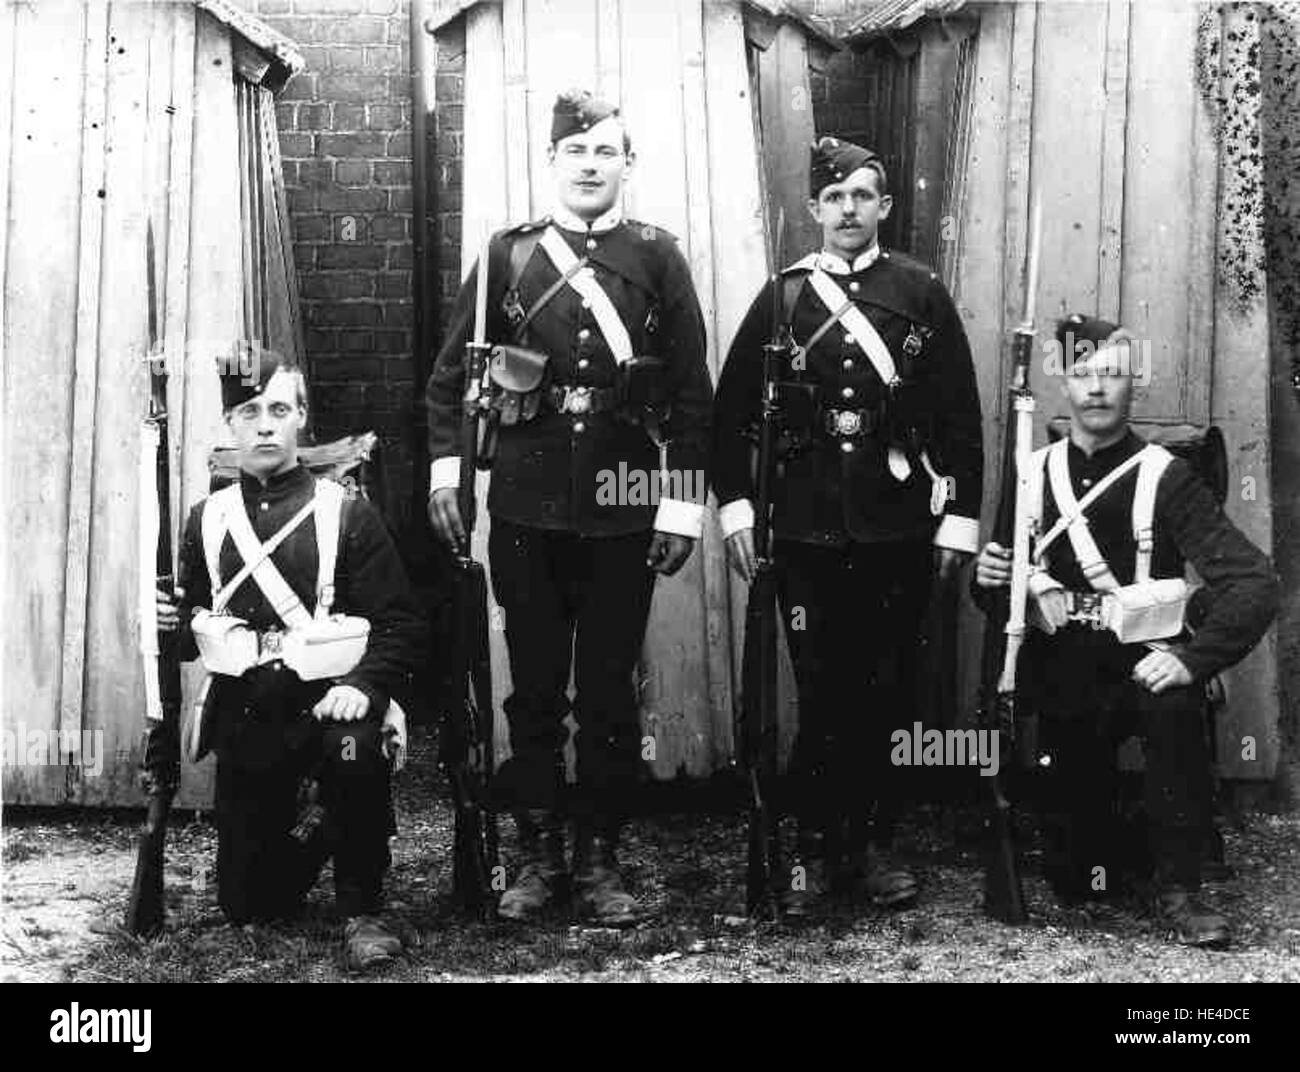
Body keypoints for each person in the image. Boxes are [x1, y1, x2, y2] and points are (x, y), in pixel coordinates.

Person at [425, 90, 713, 926]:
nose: (591, 164)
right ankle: (536, 852)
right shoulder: (509, 256)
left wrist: (681, 508)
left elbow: (691, 395)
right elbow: (454, 378)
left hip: (625, 511)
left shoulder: (657, 258)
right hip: (527, 509)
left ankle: (599, 858)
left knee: (610, 694)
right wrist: (449, 475)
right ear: (554, 162)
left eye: (607, 151)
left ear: (628, 165)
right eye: (576, 150)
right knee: (536, 692)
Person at [712, 136, 984, 916]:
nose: (849, 211)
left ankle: (870, 844)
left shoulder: (920, 293)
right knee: (822, 691)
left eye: (863, 196)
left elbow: (960, 420)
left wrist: (958, 525)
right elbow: (731, 417)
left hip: (896, 527)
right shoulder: (783, 297)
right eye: (834, 199)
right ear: (814, 209)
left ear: (885, 206)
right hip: (804, 533)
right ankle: (809, 848)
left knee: (887, 690)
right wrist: (736, 512)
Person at [973, 314, 1278, 948]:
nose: (1097, 389)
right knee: (1081, 879)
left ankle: (1180, 885)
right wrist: (989, 574)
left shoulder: (1166, 474)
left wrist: (1195, 660)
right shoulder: (1033, 475)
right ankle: (1113, 848)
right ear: (1063, 383)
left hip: (1144, 656)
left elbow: (1255, 582)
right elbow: (994, 598)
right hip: (1062, 667)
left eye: (1111, 374)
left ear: (1132, 383)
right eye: (1083, 374)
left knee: (1171, 706)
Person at [157, 349, 425, 970]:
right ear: (231, 424)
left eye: (279, 409)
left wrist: (366, 686)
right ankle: (326, 824)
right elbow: (191, 633)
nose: (264, 425)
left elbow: (402, 624)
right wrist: (170, 624)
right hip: (249, 713)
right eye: (248, 411)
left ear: (301, 417)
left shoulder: (346, 513)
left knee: (354, 751)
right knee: (250, 905)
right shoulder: (208, 520)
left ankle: (363, 904)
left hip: (331, 706)